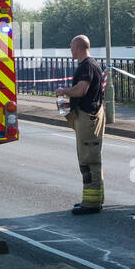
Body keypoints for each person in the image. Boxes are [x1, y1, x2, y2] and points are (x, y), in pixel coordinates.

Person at [54, 35, 105, 214]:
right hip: (89, 116)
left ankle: (91, 204)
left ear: (79, 47)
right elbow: (87, 93)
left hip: (88, 119)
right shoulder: (90, 65)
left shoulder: (87, 66)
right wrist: (70, 104)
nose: (70, 50)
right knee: (92, 159)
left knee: (88, 160)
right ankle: (96, 199)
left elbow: (81, 90)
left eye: (71, 46)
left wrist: (64, 91)